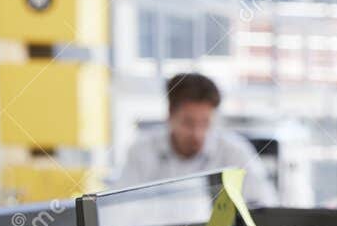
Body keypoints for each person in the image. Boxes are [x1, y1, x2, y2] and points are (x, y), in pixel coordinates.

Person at [117, 73, 279, 203]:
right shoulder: (141, 151)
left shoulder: (235, 151)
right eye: (188, 123)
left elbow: (264, 205)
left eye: (205, 123)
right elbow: (121, 209)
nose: (197, 133)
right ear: (170, 114)